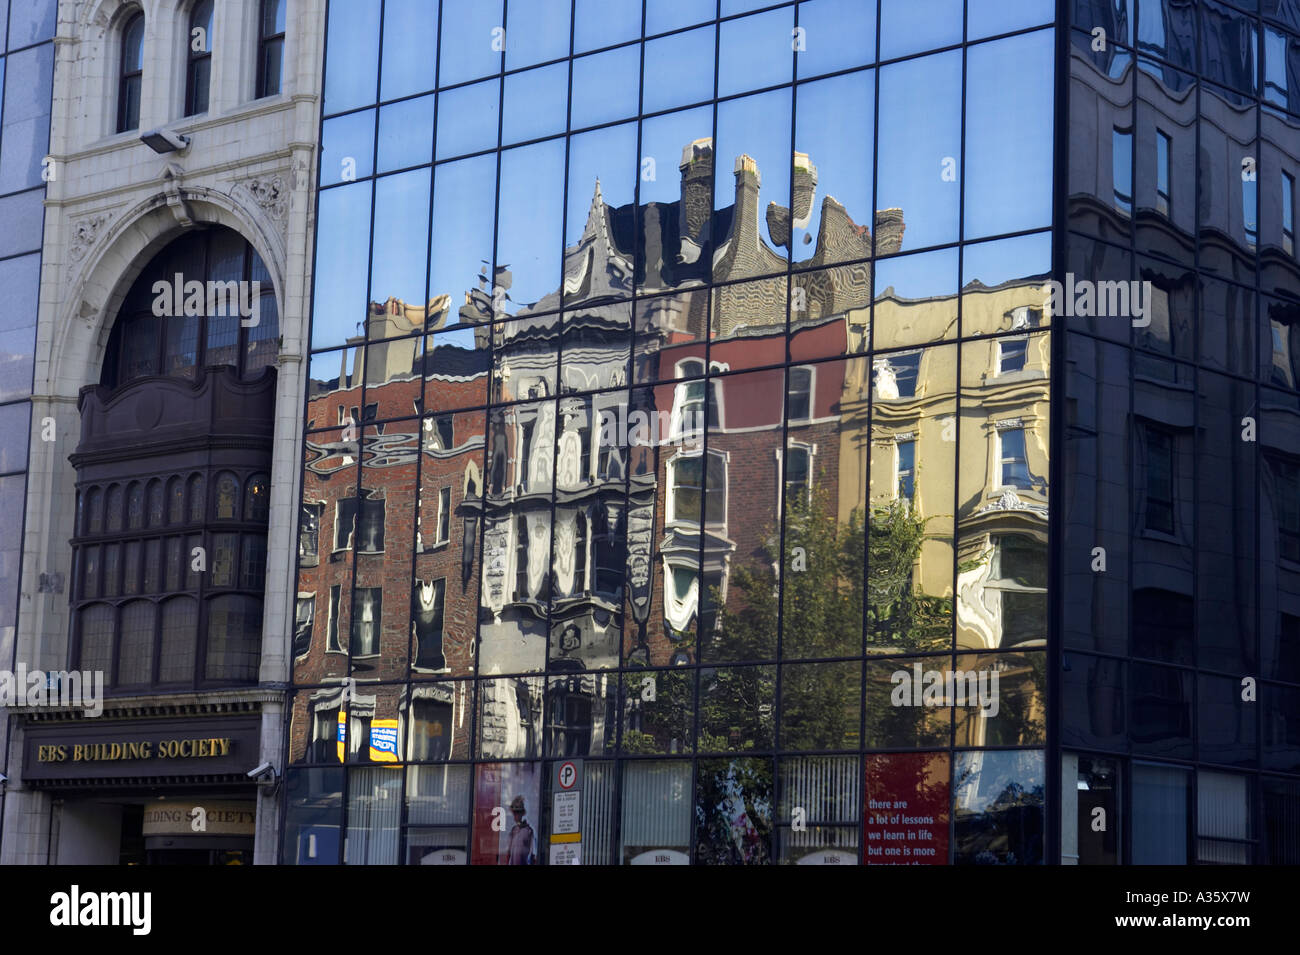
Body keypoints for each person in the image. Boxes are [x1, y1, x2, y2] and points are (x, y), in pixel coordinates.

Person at [505, 795, 536, 865]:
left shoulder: (529, 831)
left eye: (518, 812)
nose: (515, 815)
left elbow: (533, 855)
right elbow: (508, 853)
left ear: (523, 813)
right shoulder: (513, 830)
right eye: (514, 813)